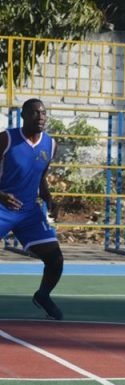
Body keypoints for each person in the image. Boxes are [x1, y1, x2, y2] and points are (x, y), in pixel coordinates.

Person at [0, 98, 64, 320]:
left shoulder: (50, 145)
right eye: (35, 113)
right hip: (2, 208)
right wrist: (1, 195)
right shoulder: (7, 139)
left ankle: (43, 295)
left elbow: (40, 177)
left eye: (43, 113)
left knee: (55, 259)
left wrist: (49, 198)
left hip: (29, 212)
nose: (41, 117)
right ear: (24, 116)